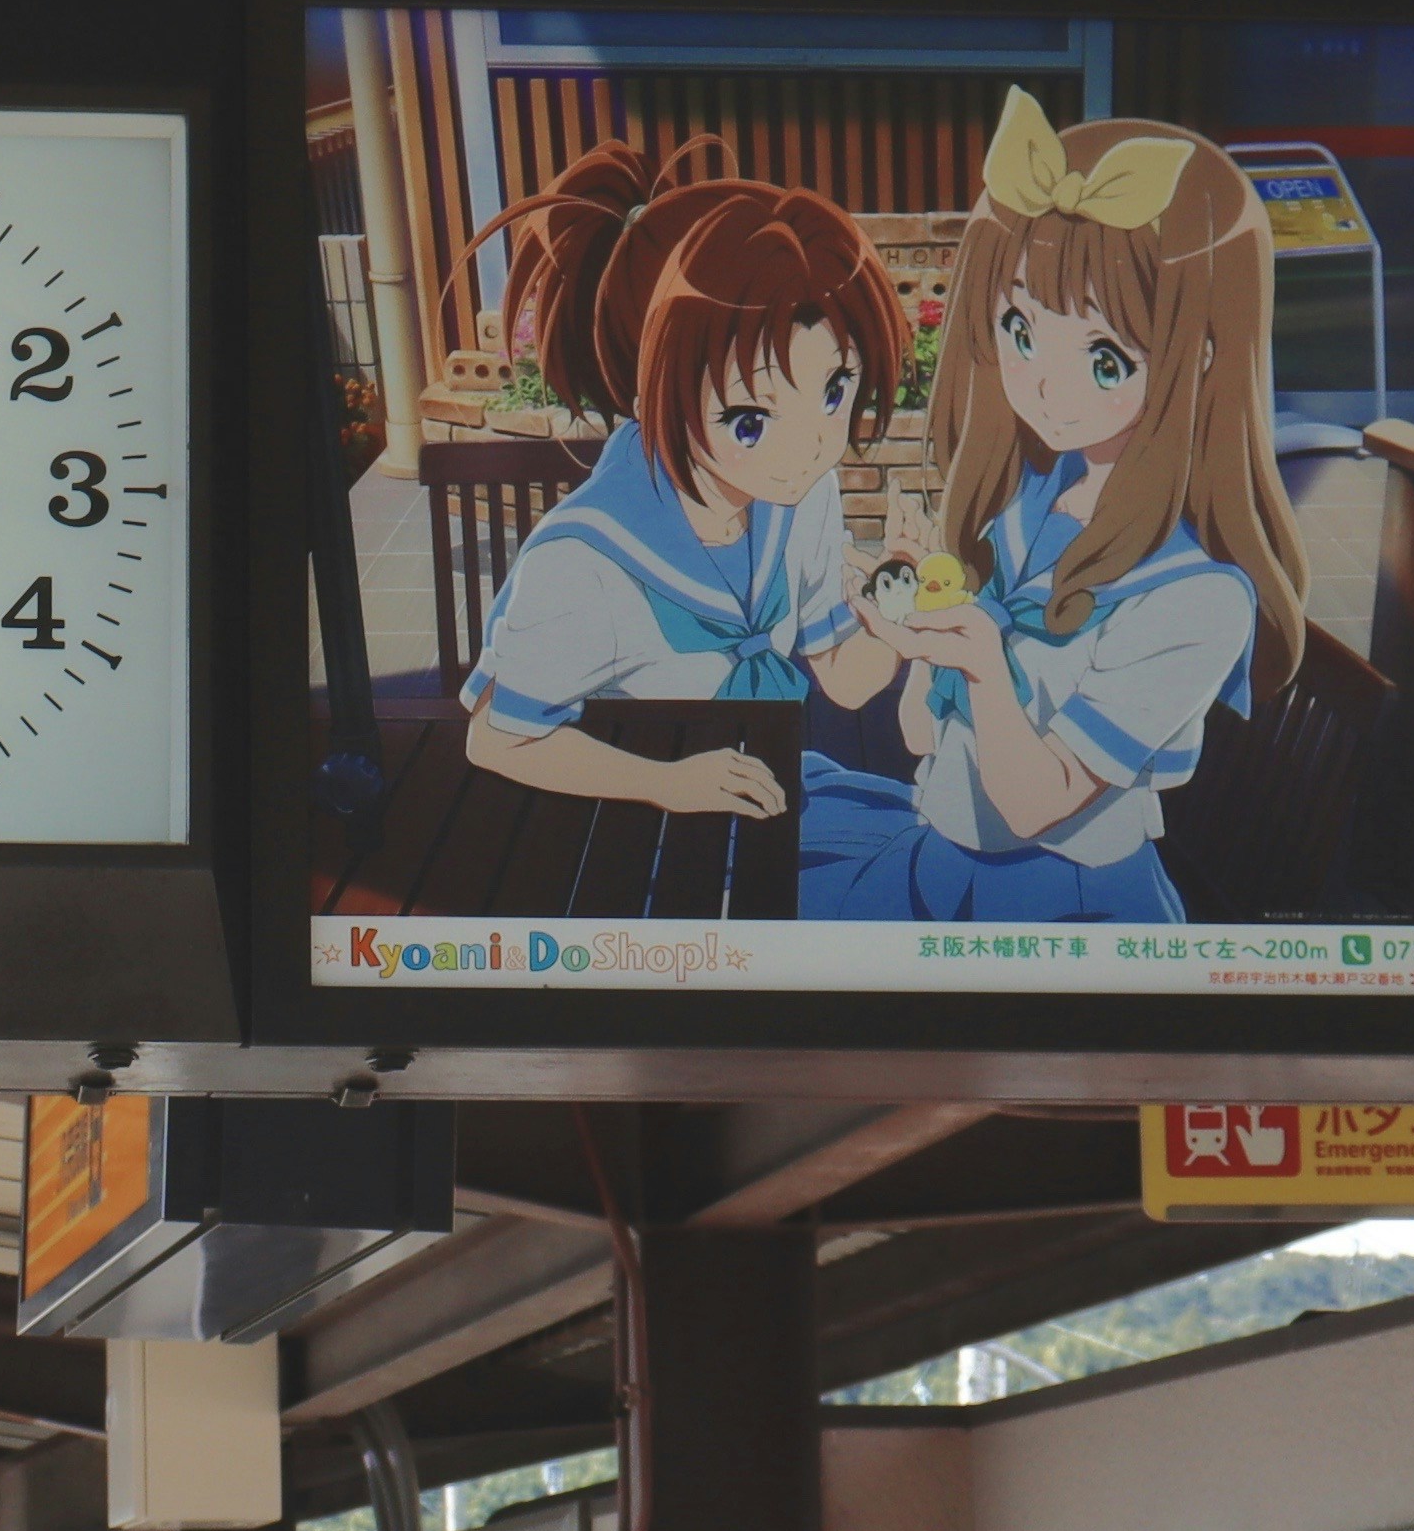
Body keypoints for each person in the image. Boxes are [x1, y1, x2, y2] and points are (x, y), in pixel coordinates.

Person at [799, 89, 1310, 925]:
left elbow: (1040, 806)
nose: (1042, 382)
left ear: (1201, 359)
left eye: (1105, 358)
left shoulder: (1198, 599)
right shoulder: (1031, 499)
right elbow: (923, 740)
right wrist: (922, 625)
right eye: (1019, 328)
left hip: (1067, 913)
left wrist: (980, 659)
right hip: (943, 861)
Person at [451, 135, 916, 824]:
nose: (814, 444)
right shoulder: (585, 562)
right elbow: (494, 737)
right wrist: (664, 783)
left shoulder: (803, 494)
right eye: (751, 420)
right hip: (650, 845)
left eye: (834, 388)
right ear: (653, 395)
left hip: (788, 802)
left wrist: (904, 592)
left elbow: (844, 679)